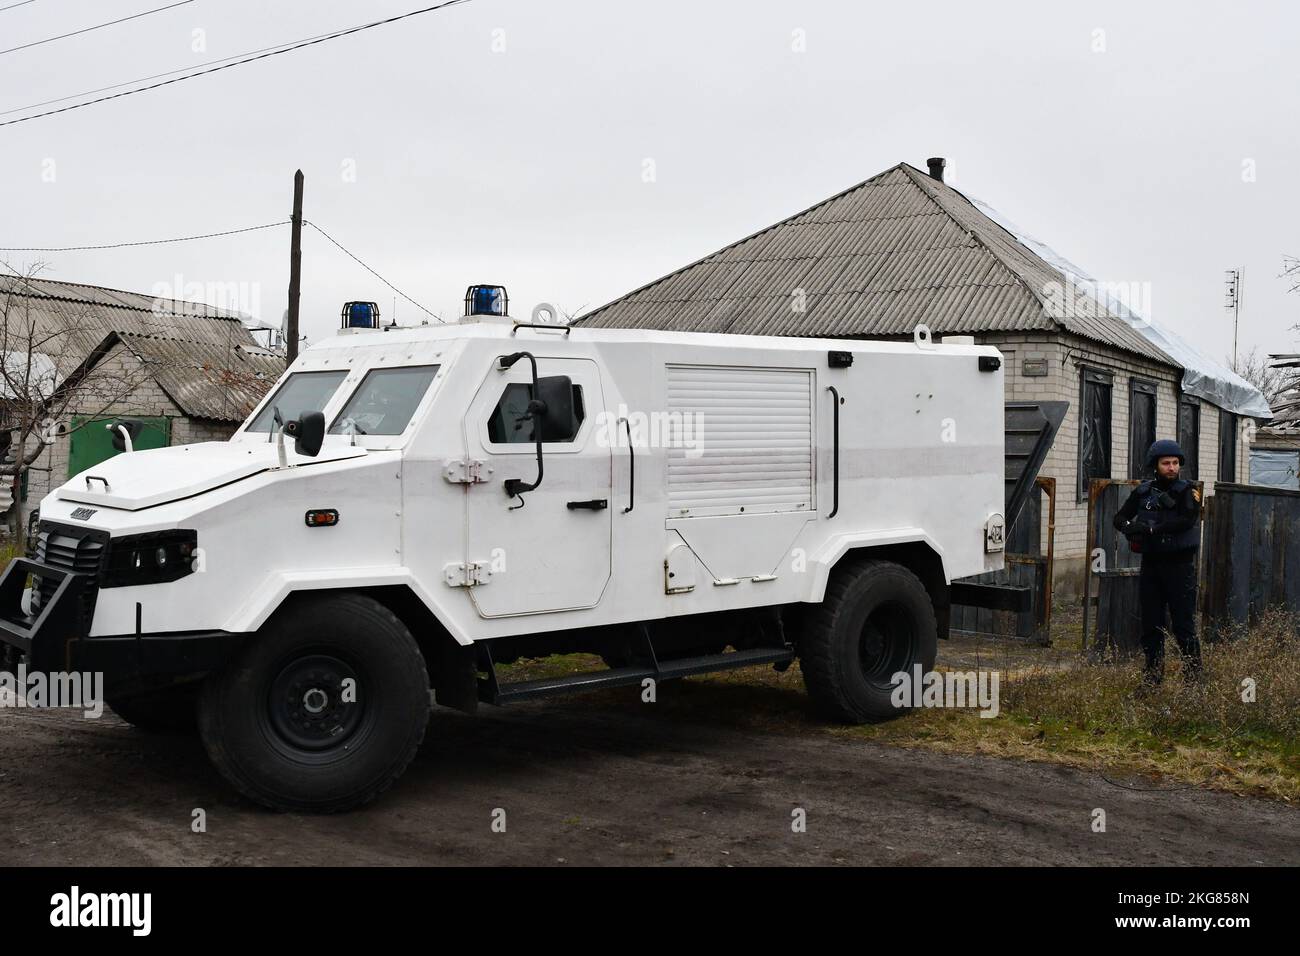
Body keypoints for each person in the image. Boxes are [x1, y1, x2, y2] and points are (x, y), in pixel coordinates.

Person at [1112, 439, 1204, 687]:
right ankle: (1152, 678)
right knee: (1151, 625)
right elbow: (1119, 517)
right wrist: (1130, 528)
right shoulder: (1143, 492)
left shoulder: (1189, 492)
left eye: (1175, 463)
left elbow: (1185, 520)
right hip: (1152, 566)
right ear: (1156, 465)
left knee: (1184, 626)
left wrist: (1151, 530)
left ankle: (1194, 680)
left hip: (1180, 567)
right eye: (1166, 463)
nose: (1172, 467)